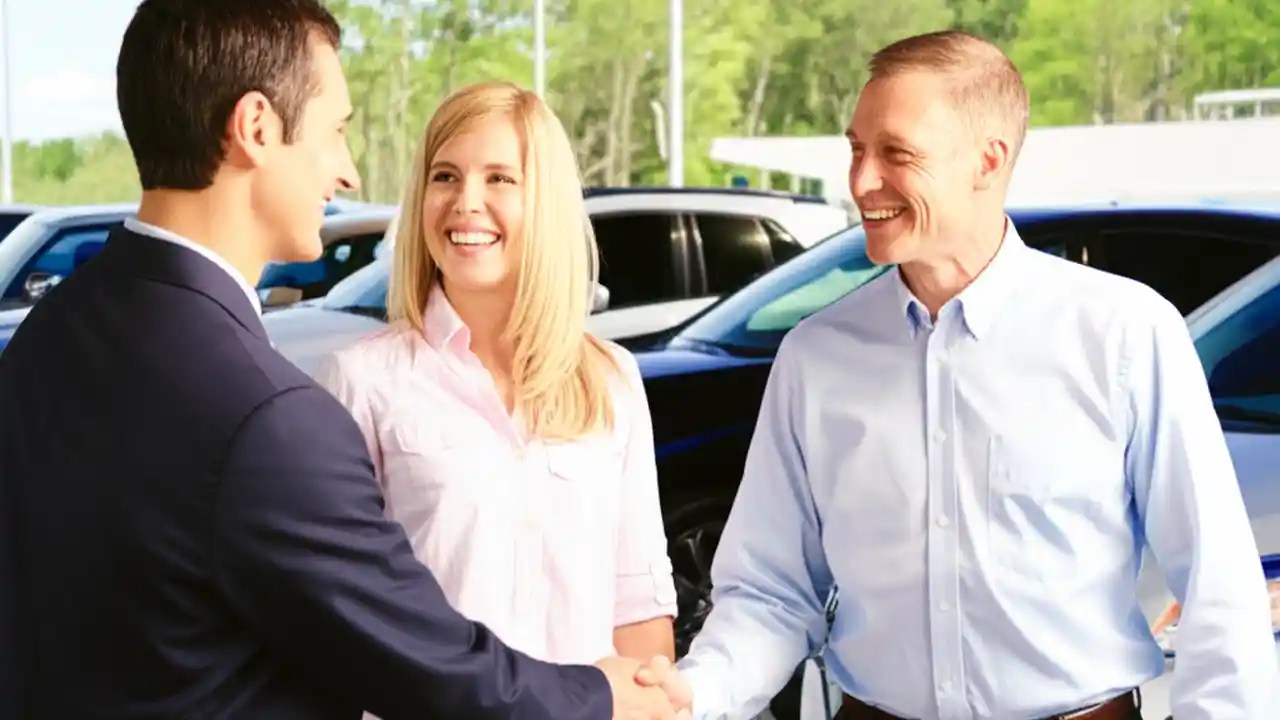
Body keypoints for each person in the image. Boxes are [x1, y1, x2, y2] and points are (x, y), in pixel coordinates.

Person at [0, 2, 682, 719]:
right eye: (336, 132)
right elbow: (426, 668)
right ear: (257, 128)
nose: (349, 171)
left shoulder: (49, 334)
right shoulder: (274, 414)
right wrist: (602, 698)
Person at [635, 30, 1278, 720]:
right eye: (856, 149)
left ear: (988, 160)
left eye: (896, 154)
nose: (861, 181)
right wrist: (697, 694)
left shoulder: (1124, 333)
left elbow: (1219, 590)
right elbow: (770, 591)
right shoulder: (815, 356)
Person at [313, 80, 678, 668]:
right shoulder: (360, 382)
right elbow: (340, 619)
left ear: (546, 202)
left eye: (500, 178)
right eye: (445, 176)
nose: (466, 202)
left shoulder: (612, 379)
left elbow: (637, 605)